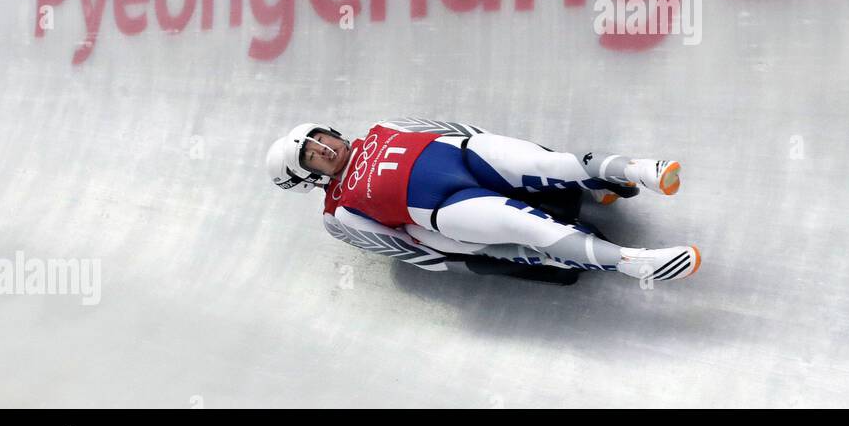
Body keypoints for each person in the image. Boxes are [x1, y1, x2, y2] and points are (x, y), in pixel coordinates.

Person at [265, 117, 700, 285]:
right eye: (310, 156)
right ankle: (633, 261)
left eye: (319, 139)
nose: (322, 150)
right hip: (446, 209)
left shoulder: (381, 127)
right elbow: (399, 246)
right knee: (529, 227)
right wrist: (462, 254)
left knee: (554, 162)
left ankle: (638, 170)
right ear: (307, 177)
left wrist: (485, 139)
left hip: (466, 156)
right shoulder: (337, 212)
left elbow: (439, 125)